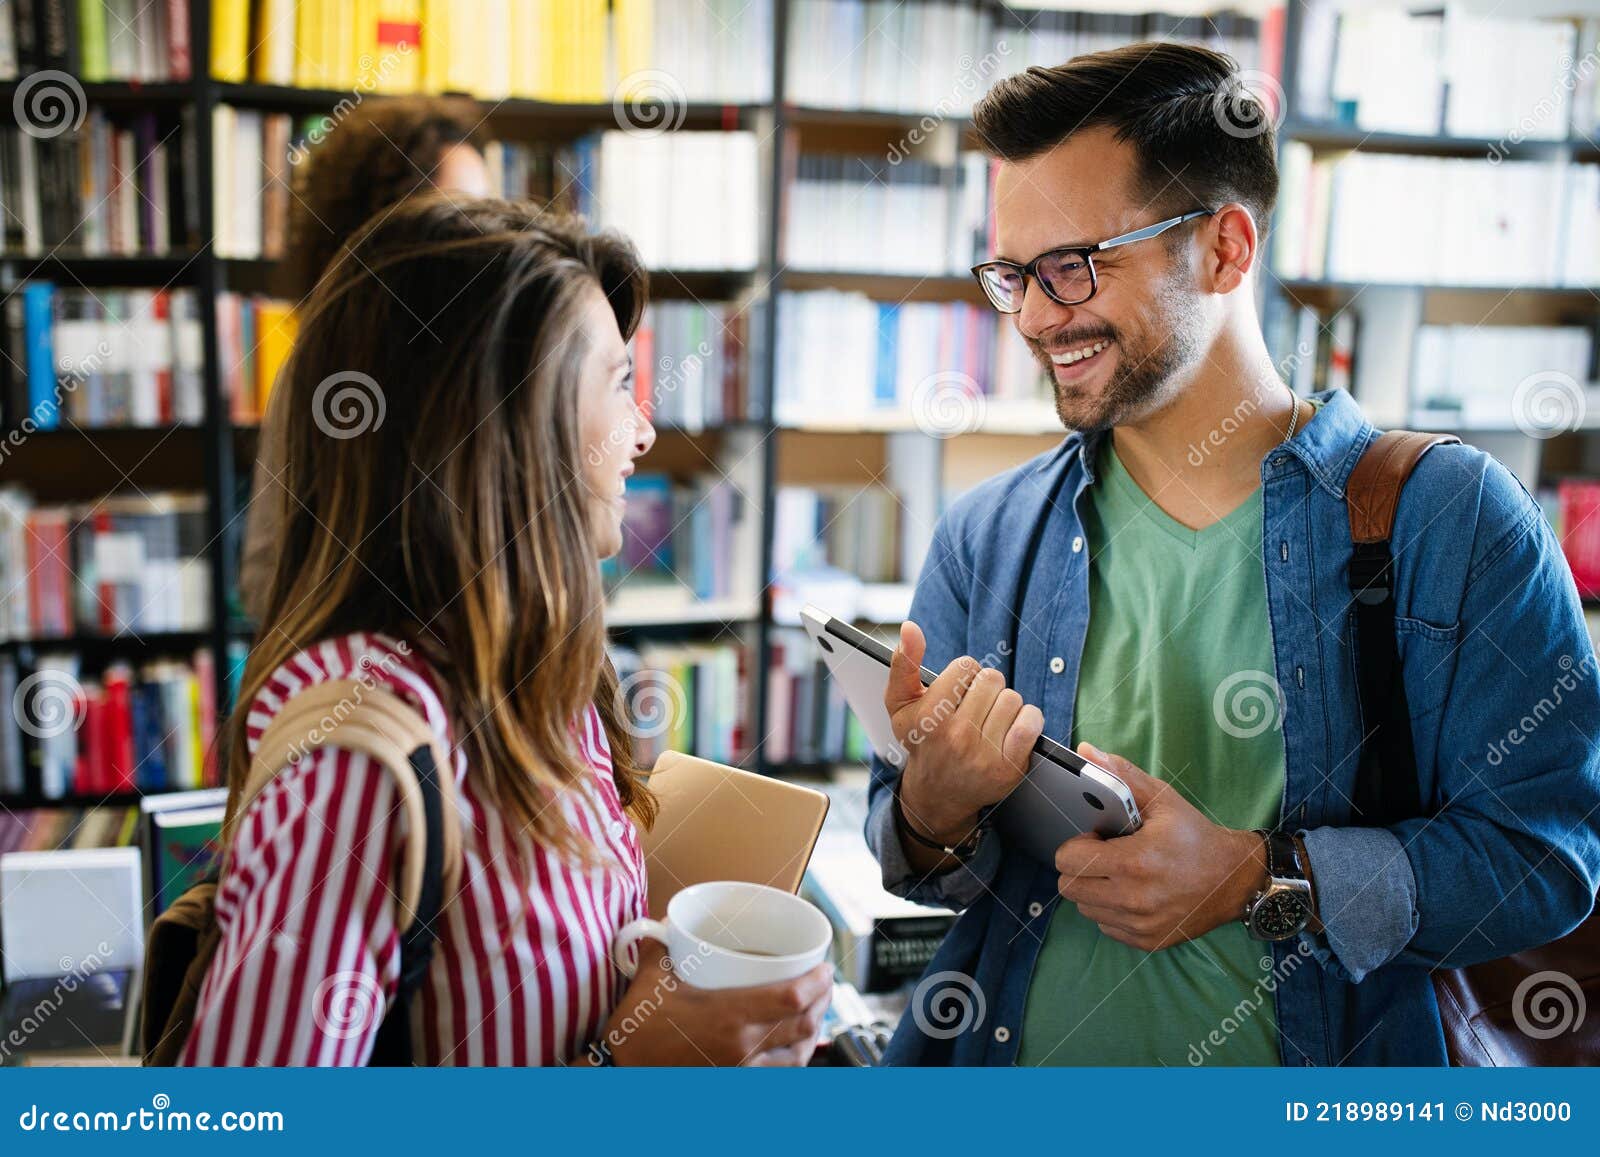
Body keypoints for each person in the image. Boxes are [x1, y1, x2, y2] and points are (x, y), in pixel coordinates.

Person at [868, 42, 1600, 1066]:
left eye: (1074, 265)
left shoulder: (1453, 519)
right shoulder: (986, 535)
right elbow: (912, 860)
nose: (1034, 315)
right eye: (1012, 275)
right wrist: (929, 808)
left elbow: (1548, 857)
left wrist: (1260, 879)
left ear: (1223, 248)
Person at [181, 194, 832, 1066]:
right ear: (496, 430)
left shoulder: (541, 675)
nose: (644, 429)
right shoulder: (360, 751)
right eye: (614, 384)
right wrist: (626, 1070)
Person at [239, 96, 494, 622]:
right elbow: (267, 575)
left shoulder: (484, 348)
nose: (489, 238)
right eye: (460, 213)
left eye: (490, 212)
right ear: (384, 224)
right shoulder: (330, 366)